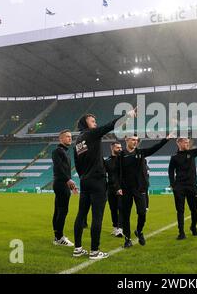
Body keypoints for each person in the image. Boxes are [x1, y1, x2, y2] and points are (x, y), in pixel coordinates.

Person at [72, 108, 136, 259]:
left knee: (81, 215)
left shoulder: (78, 140)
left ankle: (78, 248)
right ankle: (94, 251)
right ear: (85, 124)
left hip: (85, 180)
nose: (95, 123)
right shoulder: (91, 134)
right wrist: (128, 115)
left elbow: (77, 163)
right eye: (92, 121)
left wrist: (83, 177)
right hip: (97, 181)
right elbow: (111, 125)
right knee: (97, 216)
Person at [118, 133, 173, 248]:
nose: (135, 142)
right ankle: (127, 239)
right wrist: (118, 187)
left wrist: (166, 139)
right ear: (126, 140)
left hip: (140, 188)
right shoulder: (121, 155)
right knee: (126, 215)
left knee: (142, 212)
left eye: (136, 140)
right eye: (133, 140)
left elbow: (155, 148)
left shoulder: (141, 153)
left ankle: (139, 230)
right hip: (126, 189)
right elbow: (117, 173)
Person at [168, 136, 197, 240]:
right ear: (179, 143)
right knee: (180, 210)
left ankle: (193, 227)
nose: (188, 144)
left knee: (194, 209)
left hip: (192, 186)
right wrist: (173, 184)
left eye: (188, 142)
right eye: (185, 142)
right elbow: (170, 171)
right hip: (179, 187)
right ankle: (181, 233)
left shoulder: (192, 153)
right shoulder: (174, 157)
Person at [52, 129, 78, 246]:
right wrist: (68, 180)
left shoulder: (63, 151)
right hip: (61, 183)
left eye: (70, 136)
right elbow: (58, 168)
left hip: (62, 183)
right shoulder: (58, 151)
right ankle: (59, 238)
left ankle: (57, 236)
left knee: (58, 210)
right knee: (62, 210)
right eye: (67, 137)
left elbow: (63, 170)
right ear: (61, 139)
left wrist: (70, 183)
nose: (70, 138)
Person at [104, 141, 123, 238]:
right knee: (113, 209)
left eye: (120, 147)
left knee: (121, 208)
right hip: (111, 188)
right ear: (112, 148)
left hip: (122, 188)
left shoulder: (123, 159)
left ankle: (120, 229)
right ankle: (115, 227)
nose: (120, 149)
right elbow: (105, 175)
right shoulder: (107, 161)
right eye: (117, 148)